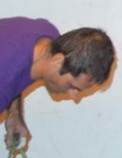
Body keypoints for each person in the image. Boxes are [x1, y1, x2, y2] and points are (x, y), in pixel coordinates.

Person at [1, 18, 114, 151]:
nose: (74, 96)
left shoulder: (47, 34)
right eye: (72, 86)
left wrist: (14, 114)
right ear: (58, 61)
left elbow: (16, 70)